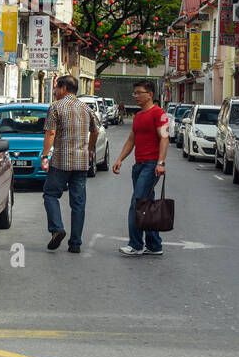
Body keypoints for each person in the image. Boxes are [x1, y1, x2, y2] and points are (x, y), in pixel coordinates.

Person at [40, 75, 100, 253]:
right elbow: (95, 131)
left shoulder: (56, 107)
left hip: (60, 161)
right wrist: (89, 149)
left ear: (63, 88)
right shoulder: (85, 107)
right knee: (78, 203)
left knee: (50, 195)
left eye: (56, 88)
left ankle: (57, 228)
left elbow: (51, 132)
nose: (55, 92)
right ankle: (75, 243)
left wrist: (45, 156)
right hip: (81, 163)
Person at [112, 79, 168, 256]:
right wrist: (120, 158)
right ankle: (154, 245)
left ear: (150, 94)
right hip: (139, 165)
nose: (135, 96)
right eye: (134, 93)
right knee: (147, 205)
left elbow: (164, 138)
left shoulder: (160, 114)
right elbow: (131, 140)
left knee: (137, 203)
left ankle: (136, 245)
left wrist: (160, 162)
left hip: (151, 165)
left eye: (139, 93)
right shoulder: (138, 116)